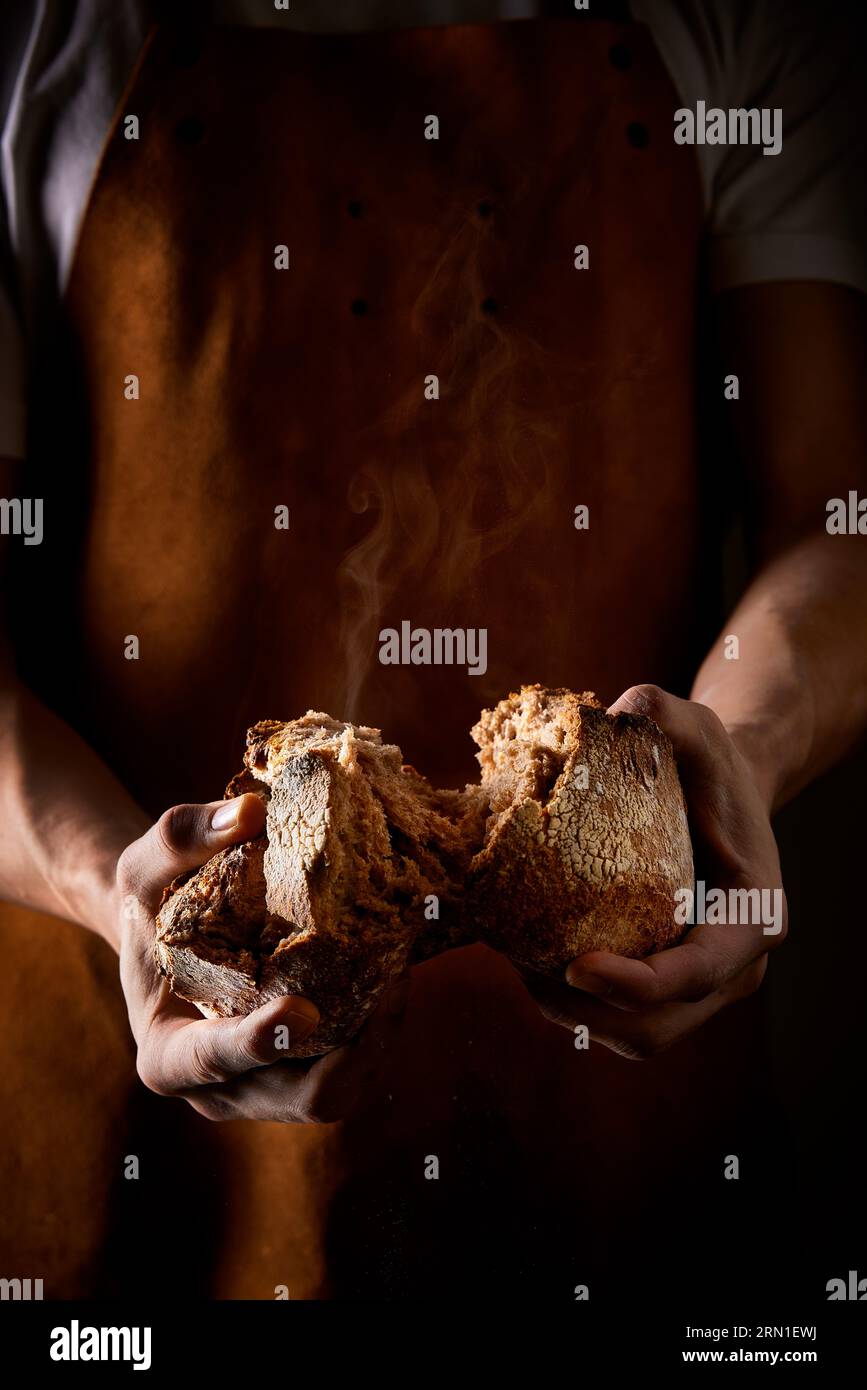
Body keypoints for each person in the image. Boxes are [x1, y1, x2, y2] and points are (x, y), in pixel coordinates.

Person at [0, 0, 864, 1299]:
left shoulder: (735, 26)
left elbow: (839, 521)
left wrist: (735, 751)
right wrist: (114, 888)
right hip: (129, 1152)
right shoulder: (37, 43)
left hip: (617, 1156)